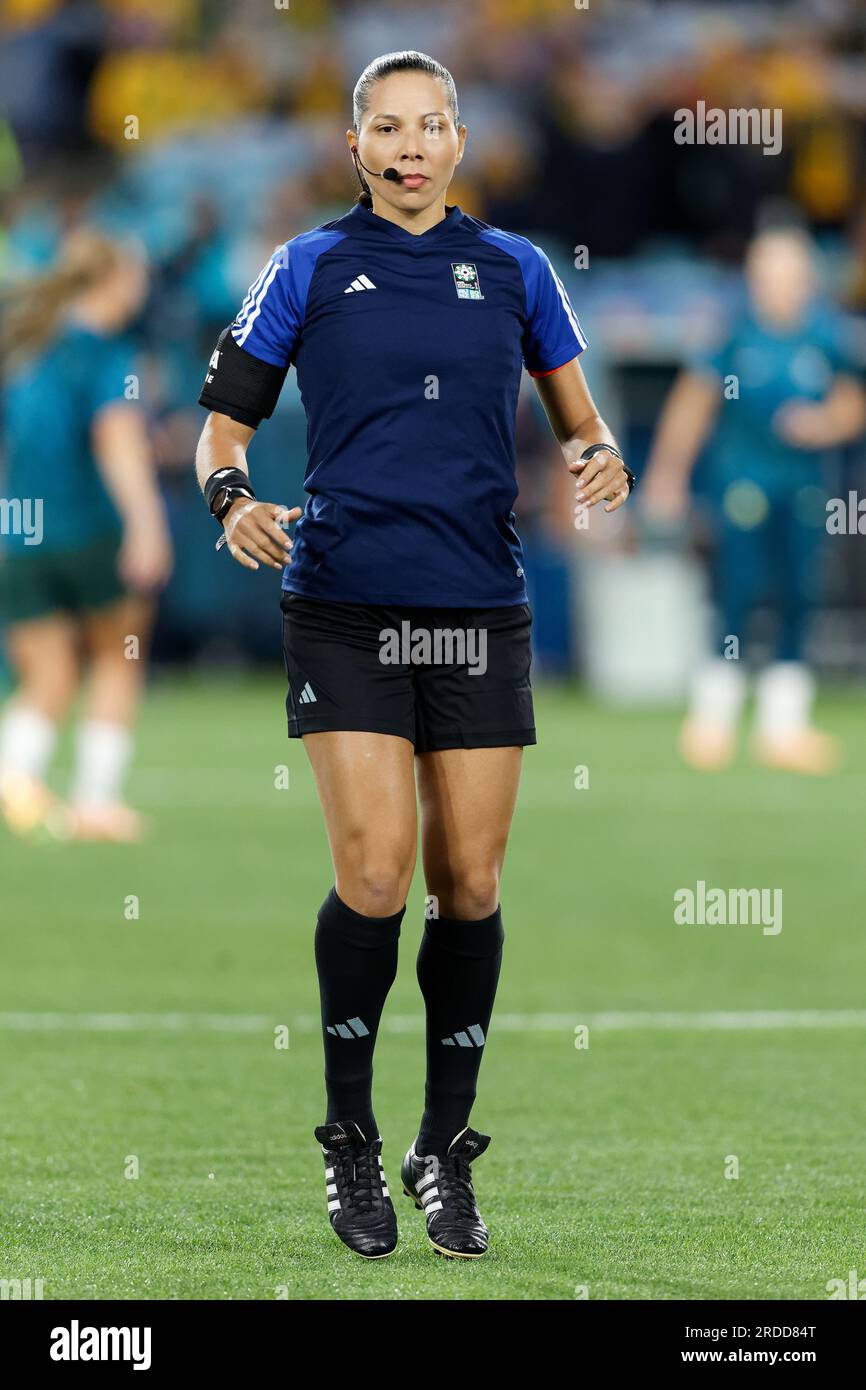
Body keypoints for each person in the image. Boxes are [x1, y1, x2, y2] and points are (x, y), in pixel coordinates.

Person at [196, 51, 632, 1261]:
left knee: (473, 886)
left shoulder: (515, 271)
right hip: (340, 604)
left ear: (455, 142)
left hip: (477, 612)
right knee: (378, 871)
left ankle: (443, 1150)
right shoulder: (308, 266)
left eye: (428, 126)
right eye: (384, 127)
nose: (407, 146)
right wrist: (232, 495)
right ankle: (348, 1136)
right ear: (355, 147)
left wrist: (599, 459)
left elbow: (581, 423)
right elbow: (220, 426)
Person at [643, 226, 866, 774]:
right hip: (743, 485)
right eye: (767, 276)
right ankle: (712, 719)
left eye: (789, 277)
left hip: (806, 488)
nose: (778, 288)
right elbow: (692, 405)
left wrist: (825, 424)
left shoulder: (826, 336)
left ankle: (783, 727)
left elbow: (851, 404)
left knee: (799, 594)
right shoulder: (734, 336)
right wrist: (666, 476)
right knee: (738, 591)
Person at [0, 229, 172, 841]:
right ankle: (96, 803)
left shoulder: (26, 349)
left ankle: (15, 778)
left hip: (20, 534)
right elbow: (117, 441)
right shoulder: (106, 354)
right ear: (112, 281)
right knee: (116, 659)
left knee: (46, 671)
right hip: (90, 527)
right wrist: (147, 524)